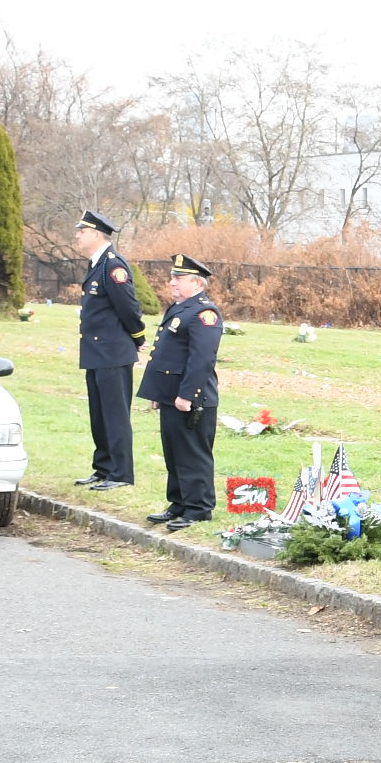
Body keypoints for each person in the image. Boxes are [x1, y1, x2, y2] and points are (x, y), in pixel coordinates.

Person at [138, 255, 225, 531]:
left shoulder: (204, 314)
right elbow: (167, 355)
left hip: (192, 398)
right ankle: (178, 503)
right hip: (171, 395)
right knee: (174, 453)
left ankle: (198, 508)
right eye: (172, 278)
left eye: (179, 278)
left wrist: (187, 395)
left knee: (192, 454)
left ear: (197, 283)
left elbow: (201, 359)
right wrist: (158, 392)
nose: (172, 283)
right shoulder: (180, 309)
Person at [72, 211, 145, 490]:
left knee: (115, 415)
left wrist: (138, 336)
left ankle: (121, 473)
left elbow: (128, 306)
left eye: (81, 231)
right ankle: (103, 467)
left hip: (113, 352)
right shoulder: (97, 264)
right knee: (99, 414)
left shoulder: (113, 266)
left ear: (95, 234)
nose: (77, 236)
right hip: (96, 352)